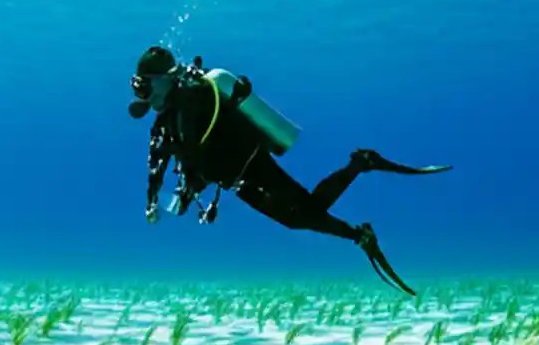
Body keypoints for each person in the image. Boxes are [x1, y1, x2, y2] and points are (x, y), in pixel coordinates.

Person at [127, 45, 452, 295]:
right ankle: (359, 222)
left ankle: (361, 173)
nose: (141, 94)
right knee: (297, 218)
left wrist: (175, 186)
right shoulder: (165, 122)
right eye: (137, 86)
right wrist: (154, 199)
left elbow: (188, 150)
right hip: (235, 182)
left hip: (252, 164)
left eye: (145, 86)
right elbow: (159, 163)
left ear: (167, 79)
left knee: (306, 212)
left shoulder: (192, 98)